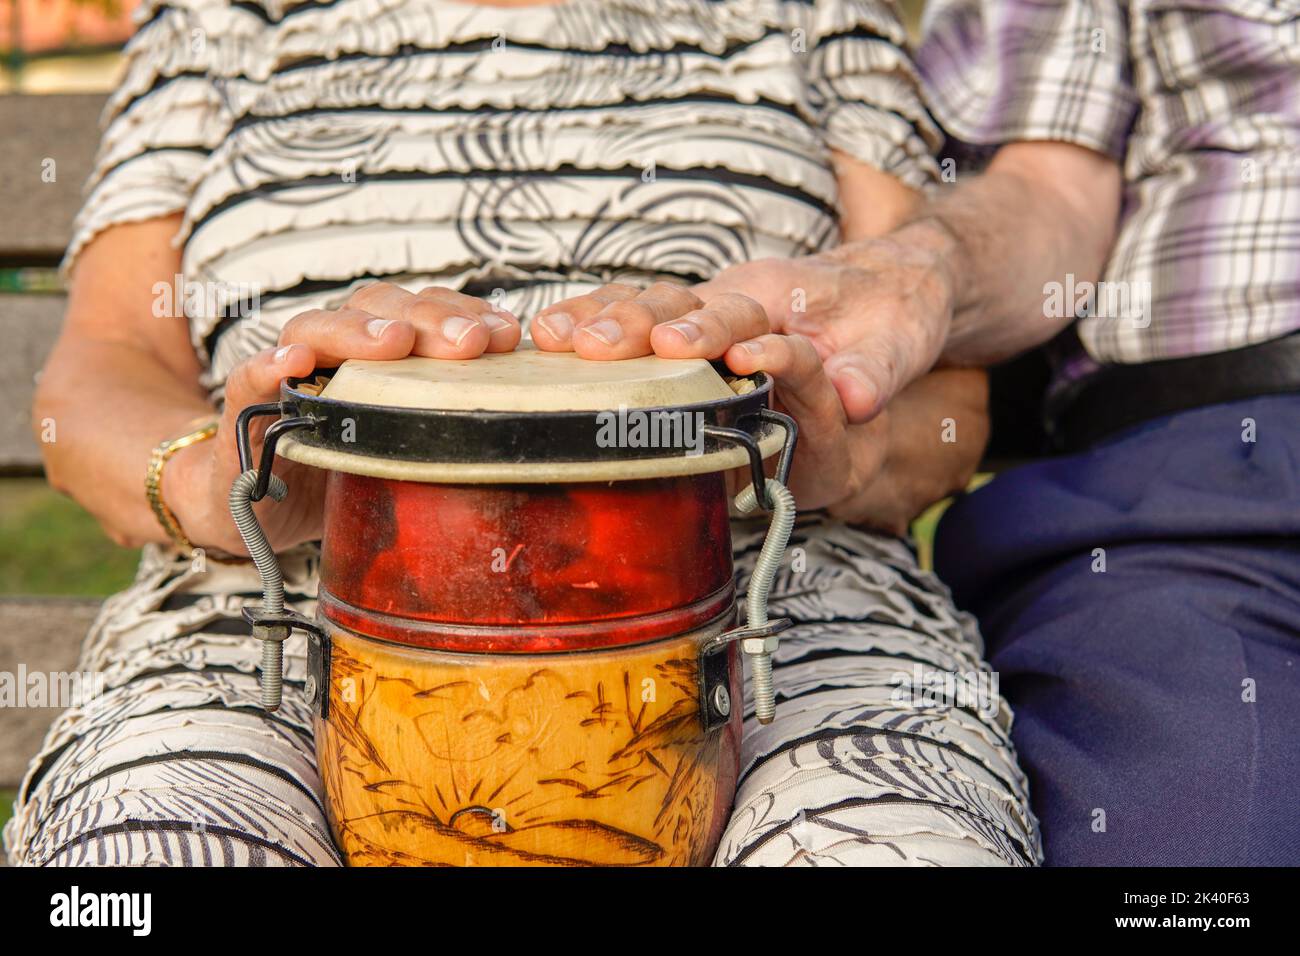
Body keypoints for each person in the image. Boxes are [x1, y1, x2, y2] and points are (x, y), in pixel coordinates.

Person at [6, 0, 1038, 866]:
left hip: (782, 601)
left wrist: (841, 451)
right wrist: (217, 481)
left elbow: (939, 387)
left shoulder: (805, 13)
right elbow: (101, 363)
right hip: (261, 616)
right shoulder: (227, 17)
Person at [612, 0, 1300, 865]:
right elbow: (1051, 192)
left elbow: (941, 422)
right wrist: (911, 276)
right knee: (1203, 870)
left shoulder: (818, 32)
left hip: (831, 610)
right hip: (1220, 473)